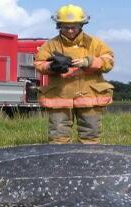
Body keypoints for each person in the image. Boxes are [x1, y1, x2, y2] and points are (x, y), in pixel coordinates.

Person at [33, 4, 115, 145]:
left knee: (90, 137)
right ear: (59, 26)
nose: (70, 30)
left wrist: (88, 62)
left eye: (74, 26)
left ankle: (89, 163)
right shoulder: (51, 45)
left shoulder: (95, 43)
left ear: (82, 25)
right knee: (58, 139)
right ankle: (59, 164)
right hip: (60, 97)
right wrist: (52, 66)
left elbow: (108, 62)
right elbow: (39, 63)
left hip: (89, 97)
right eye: (66, 27)